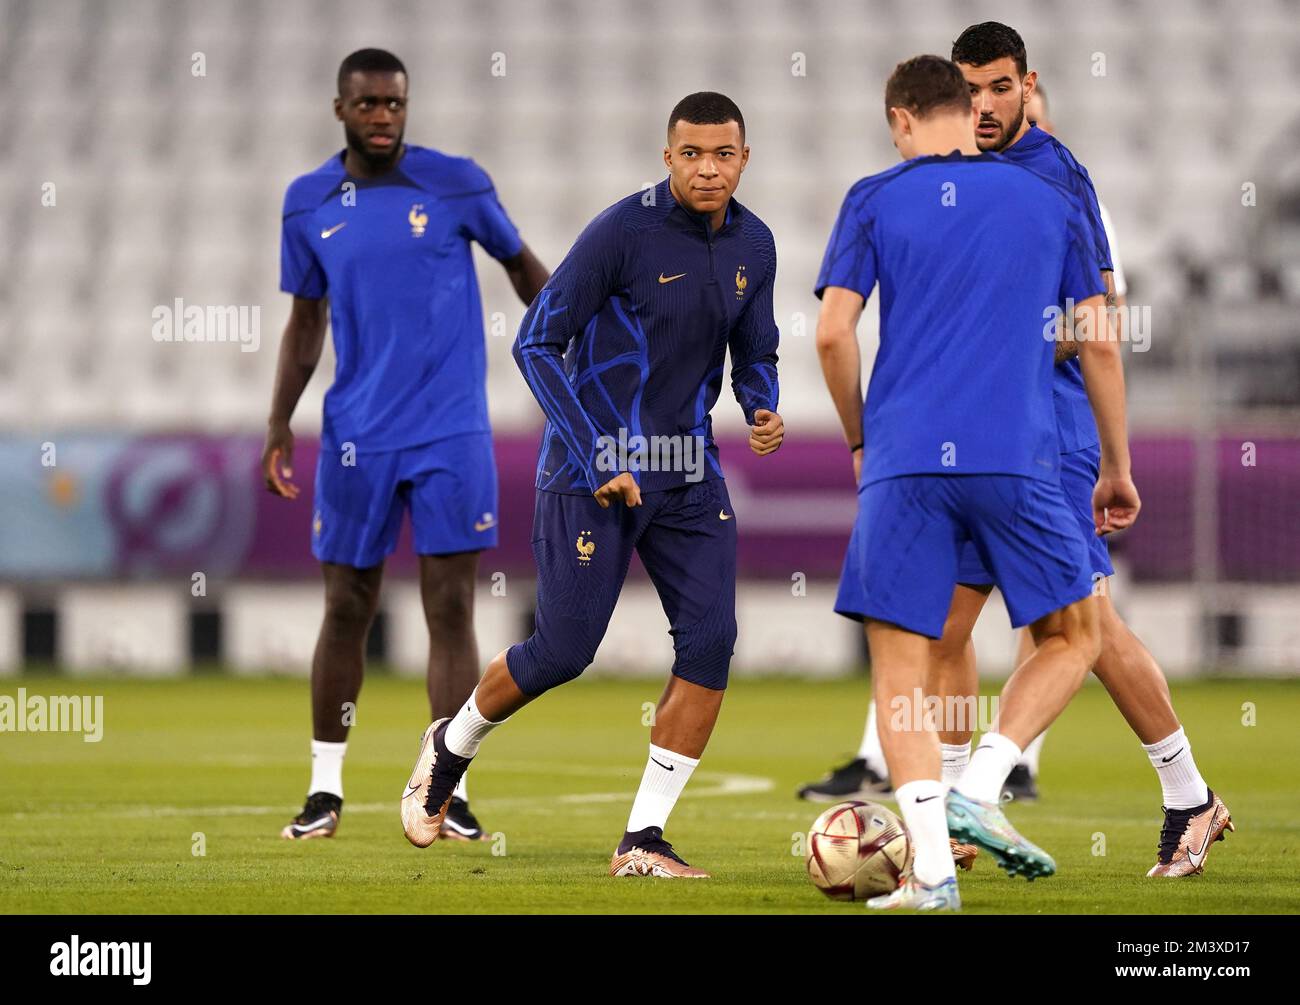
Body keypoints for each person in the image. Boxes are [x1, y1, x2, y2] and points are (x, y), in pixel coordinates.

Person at [399, 91, 784, 879]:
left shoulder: (758, 245)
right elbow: (536, 342)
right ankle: (453, 741)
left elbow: (756, 350)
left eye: (722, 154)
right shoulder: (622, 233)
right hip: (590, 474)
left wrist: (762, 402)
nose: (707, 168)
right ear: (667, 156)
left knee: (712, 641)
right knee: (566, 649)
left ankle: (643, 837)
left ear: (745, 158)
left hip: (688, 474)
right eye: (691, 153)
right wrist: (599, 451)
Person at [815, 54, 1136, 909]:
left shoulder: (874, 196)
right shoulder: (1050, 198)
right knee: (1074, 635)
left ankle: (933, 872)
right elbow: (1099, 340)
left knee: (903, 667)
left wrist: (858, 437)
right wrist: (1116, 464)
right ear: (970, 109)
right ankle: (984, 779)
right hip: (1021, 457)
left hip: (905, 460)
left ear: (900, 120)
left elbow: (832, 336)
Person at [266, 48, 548, 841]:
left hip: (451, 430)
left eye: (394, 103)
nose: (383, 116)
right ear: (340, 110)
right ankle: (325, 789)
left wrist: (577, 342)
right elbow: (305, 323)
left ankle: (444, 788)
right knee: (347, 605)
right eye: (368, 104)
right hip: (357, 434)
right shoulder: (307, 201)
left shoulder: (455, 181)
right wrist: (278, 421)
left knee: (451, 606)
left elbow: (525, 270)